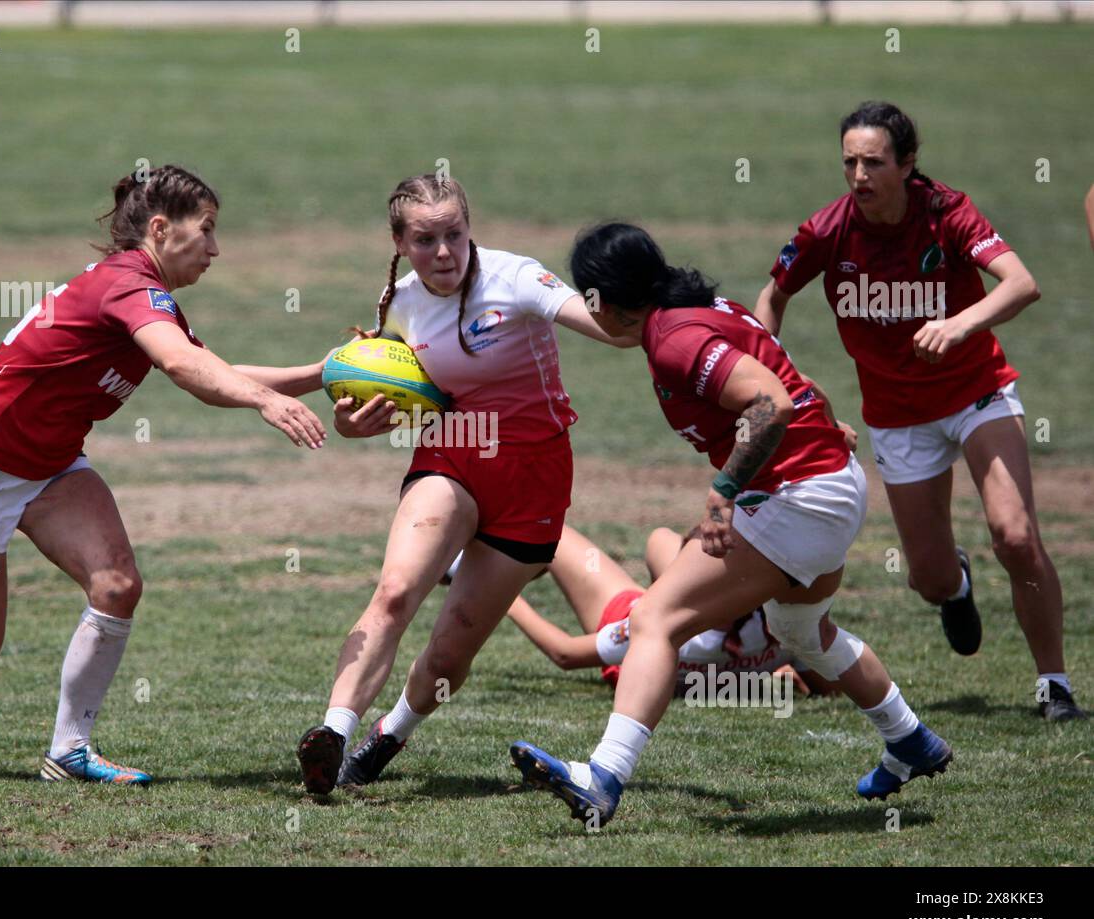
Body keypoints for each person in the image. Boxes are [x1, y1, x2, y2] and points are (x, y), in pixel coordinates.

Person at [0, 165, 331, 784]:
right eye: (206, 230)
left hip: (49, 468)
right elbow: (187, 368)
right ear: (160, 229)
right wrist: (266, 403)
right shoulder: (129, 286)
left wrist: (324, 371)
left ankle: (69, 752)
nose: (215, 248)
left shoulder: (150, 297)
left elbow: (214, 369)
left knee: (116, 586)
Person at [510, 222, 953, 828]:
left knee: (653, 619)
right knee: (801, 630)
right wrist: (825, 421)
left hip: (801, 496)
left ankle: (602, 775)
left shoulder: (673, 339)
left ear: (604, 301)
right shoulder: (692, 309)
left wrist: (722, 494)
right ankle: (909, 738)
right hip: (830, 485)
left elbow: (770, 402)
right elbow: (783, 377)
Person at [295, 174, 634, 795]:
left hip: (534, 479)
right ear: (399, 241)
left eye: (454, 234)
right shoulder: (397, 303)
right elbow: (372, 388)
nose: (445, 252)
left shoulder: (516, 279)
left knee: (450, 658)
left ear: (470, 228)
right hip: (451, 458)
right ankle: (333, 735)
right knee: (396, 592)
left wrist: (690, 321)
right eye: (426, 240)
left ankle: (386, 736)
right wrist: (350, 421)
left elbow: (611, 328)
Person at [753, 101, 1083, 721]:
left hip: (975, 392)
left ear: (907, 164)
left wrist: (960, 324)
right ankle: (955, 584)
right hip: (896, 414)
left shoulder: (946, 212)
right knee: (928, 580)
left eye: (873, 163)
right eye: (849, 162)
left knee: (1014, 537)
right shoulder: (827, 229)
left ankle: (1054, 685)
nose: (858, 176)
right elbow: (771, 297)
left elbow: (1020, 283)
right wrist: (778, 377)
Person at [506, 525, 837, 697]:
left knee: (549, 532)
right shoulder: (784, 631)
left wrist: (506, 599)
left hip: (628, 615)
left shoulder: (656, 629)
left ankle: (467, 566)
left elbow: (565, 654)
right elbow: (827, 684)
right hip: (708, 642)